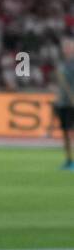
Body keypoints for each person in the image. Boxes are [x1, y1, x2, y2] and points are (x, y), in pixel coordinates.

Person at [53, 38, 74, 169]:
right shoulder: (61, 64)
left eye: (69, 47)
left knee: (71, 131)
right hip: (63, 103)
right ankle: (69, 160)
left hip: (72, 103)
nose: (67, 50)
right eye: (65, 47)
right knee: (65, 132)